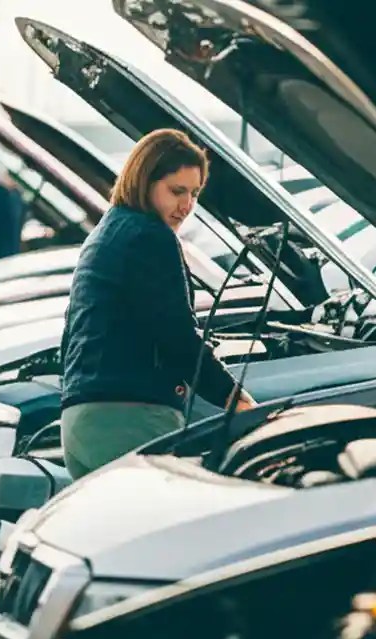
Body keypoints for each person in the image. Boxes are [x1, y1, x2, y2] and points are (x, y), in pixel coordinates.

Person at [59, 129, 254, 479]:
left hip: (80, 420)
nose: (187, 205)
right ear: (144, 181)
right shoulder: (150, 236)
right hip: (130, 419)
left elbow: (74, 330)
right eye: (177, 191)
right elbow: (176, 333)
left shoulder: (104, 233)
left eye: (194, 193)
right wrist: (234, 397)